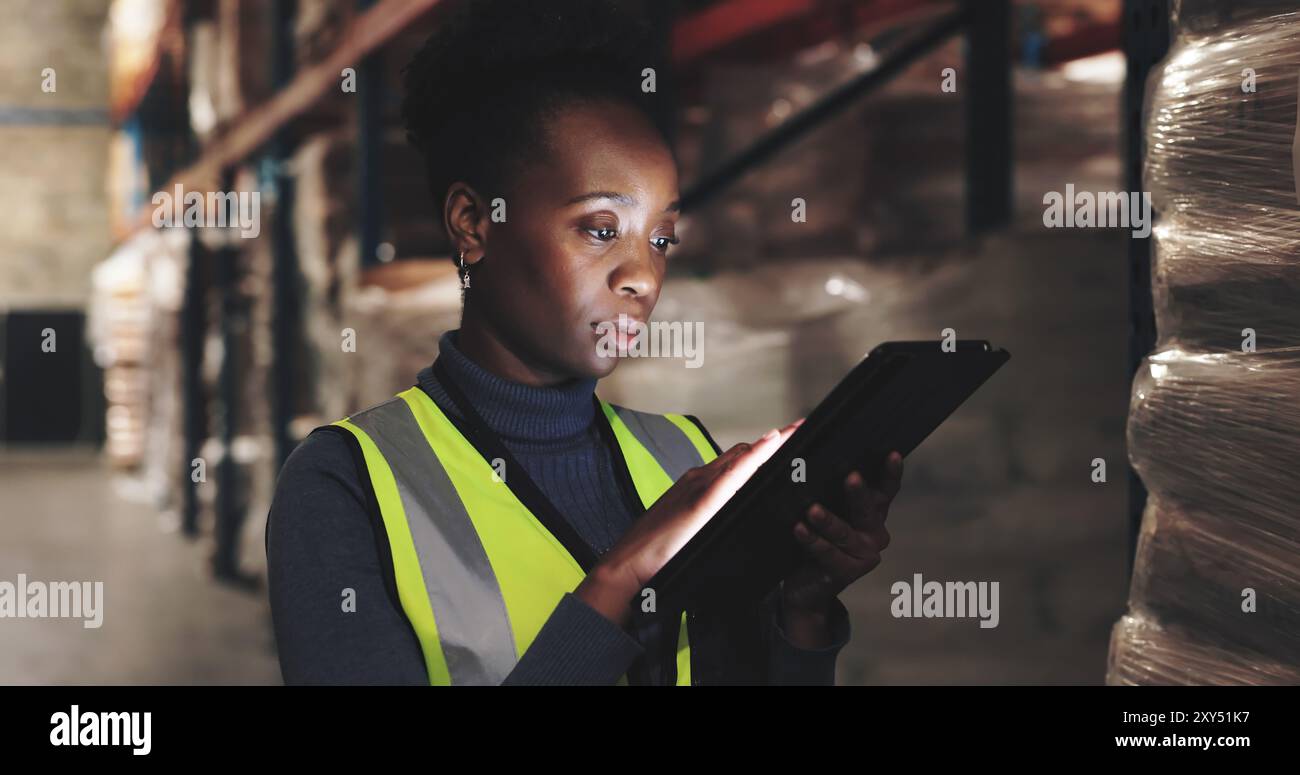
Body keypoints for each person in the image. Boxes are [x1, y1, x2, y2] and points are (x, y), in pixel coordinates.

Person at [266, 0, 903, 686]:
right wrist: (617, 580)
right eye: (600, 229)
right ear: (473, 224)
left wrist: (802, 613)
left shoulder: (683, 453)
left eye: (662, 238)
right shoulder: (345, 487)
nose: (642, 276)